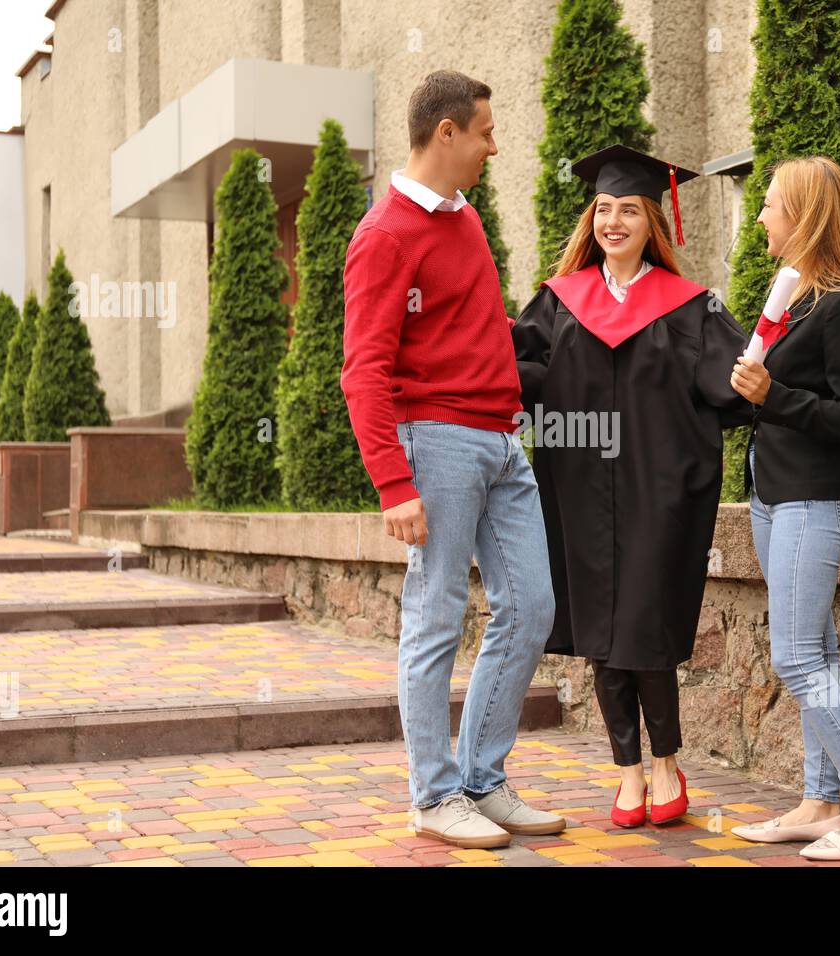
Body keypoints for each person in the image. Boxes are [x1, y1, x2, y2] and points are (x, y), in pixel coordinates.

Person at [340, 70, 565, 850]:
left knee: (532, 605)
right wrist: (392, 483)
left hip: (502, 441)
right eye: (485, 132)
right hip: (432, 443)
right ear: (446, 133)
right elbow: (363, 369)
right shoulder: (383, 235)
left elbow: (459, 323)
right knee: (435, 615)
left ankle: (482, 778)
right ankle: (434, 796)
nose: (493, 146)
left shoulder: (463, 221)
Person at [513, 144, 755, 829]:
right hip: (580, 485)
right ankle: (627, 772)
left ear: (653, 221)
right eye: (603, 210)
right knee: (600, 628)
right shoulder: (559, 302)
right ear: (591, 221)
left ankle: (667, 764)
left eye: (627, 210)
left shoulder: (688, 305)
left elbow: (735, 384)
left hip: (660, 487)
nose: (613, 222)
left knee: (644, 623)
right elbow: (519, 372)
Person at [727, 155, 840, 860]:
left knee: (797, 658)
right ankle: (820, 802)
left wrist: (775, 396)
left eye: (770, 204)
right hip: (773, 496)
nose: (762, 216)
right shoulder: (794, 297)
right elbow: (771, 399)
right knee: (818, 653)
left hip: (815, 498)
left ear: (804, 216)